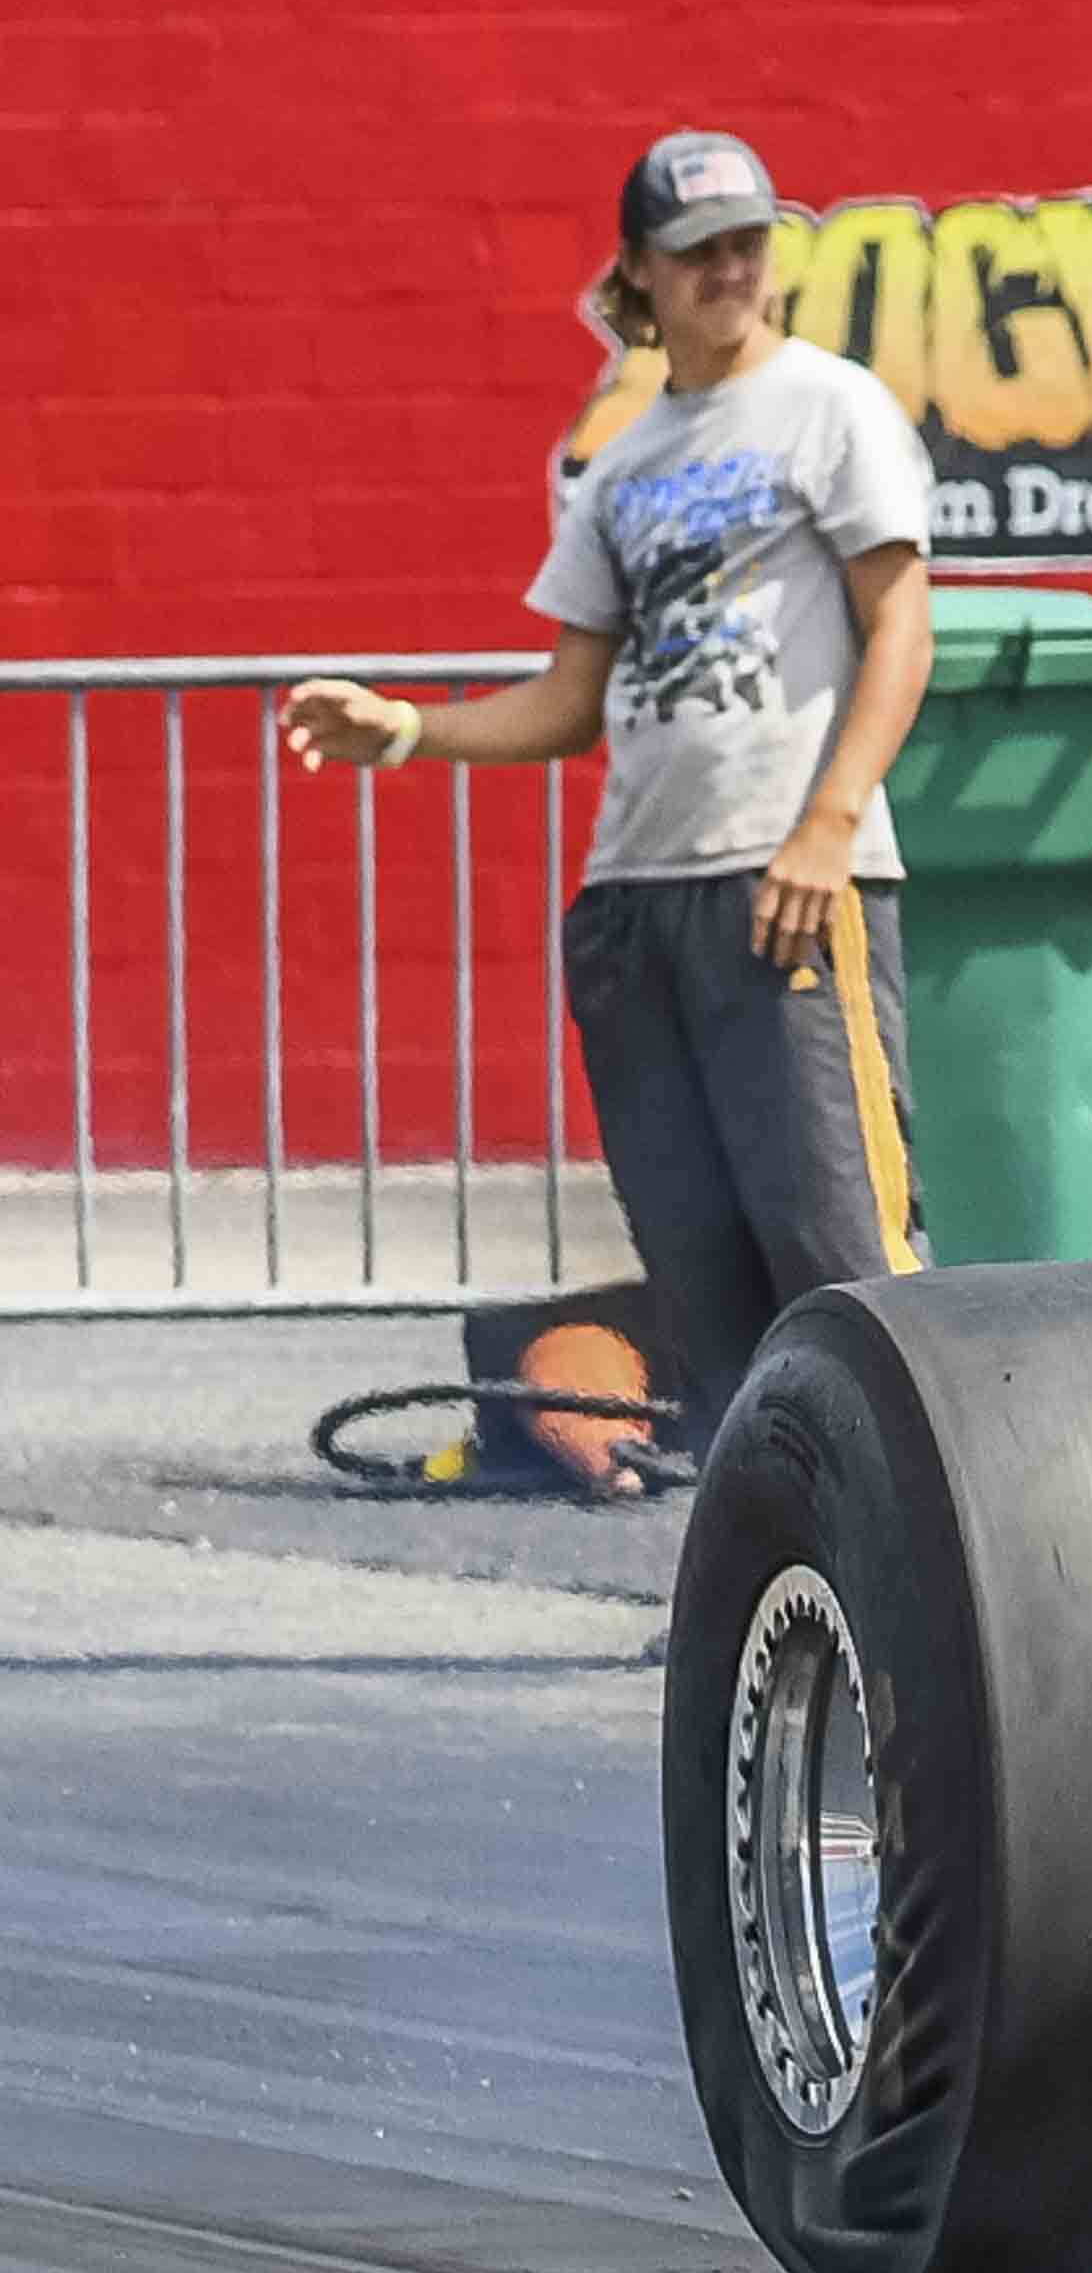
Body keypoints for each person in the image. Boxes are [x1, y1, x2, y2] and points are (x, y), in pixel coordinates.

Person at [282, 128, 937, 1435]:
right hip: (638, 900)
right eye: (699, 247)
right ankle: (768, 1543)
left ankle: (920, 1533)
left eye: (749, 239)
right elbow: (571, 701)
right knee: (702, 1271)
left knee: (841, 1244)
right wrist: (406, 728)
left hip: (788, 882)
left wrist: (826, 822)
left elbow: (901, 628)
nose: (731, 267)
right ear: (640, 268)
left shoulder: (832, 404)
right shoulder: (623, 465)